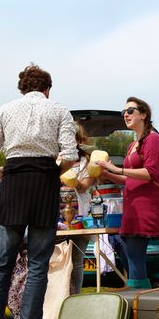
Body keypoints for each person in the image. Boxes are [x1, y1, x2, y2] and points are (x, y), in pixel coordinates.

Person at [0, 65, 78, 319]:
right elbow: (70, 156)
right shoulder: (59, 110)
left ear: (22, 88)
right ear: (47, 89)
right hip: (44, 185)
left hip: (13, 184)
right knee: (38, 264)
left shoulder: (5, 110)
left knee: (2, 263)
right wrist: (52, 173)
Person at [97, 97, 159, 289]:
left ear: (143, 114)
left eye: (130, 111)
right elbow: (130, 179)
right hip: (131, 206)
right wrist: (107, 174)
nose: (125, 115)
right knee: (130, 256)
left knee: (135, 257)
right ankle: (138, 297)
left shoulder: (153, 139)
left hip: (146, 205)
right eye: (123, 112)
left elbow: (150, 173)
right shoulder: (132, 145)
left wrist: (117, 169)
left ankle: (137, 300)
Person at [67, 124, 97, 293]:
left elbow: (84, 187)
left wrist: (72, 180)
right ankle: (58, 297)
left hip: (80, 217)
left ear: (78, 139)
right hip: (56, 218)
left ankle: (75, 296)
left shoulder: (88, 162)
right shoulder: (55, 159)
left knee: (76, 260)